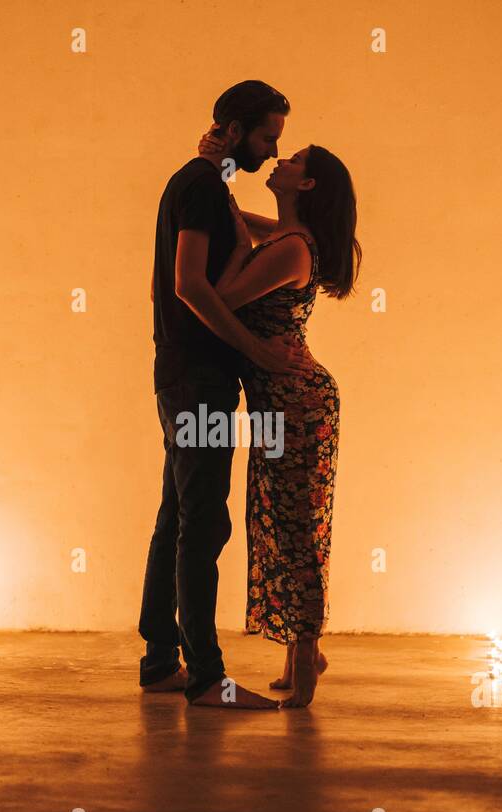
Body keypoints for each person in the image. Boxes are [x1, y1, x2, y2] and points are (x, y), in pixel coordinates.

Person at [137, 80, 309, 709]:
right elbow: (186, 285)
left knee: (177, 517)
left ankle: (159, 662)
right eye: (268, 135)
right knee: (203, 520)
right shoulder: (202, 187)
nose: (272, 147)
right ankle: (207, 679)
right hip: (198, 381)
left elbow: (177, 281)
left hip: (186, 373)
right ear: (237, 130)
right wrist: (256, 348)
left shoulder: (205, 184)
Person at [197, 130, 362, 707]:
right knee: (275, 524)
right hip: (280, 402)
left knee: (297, 531)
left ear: (307, 183)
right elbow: (238, 219)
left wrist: (230, 234)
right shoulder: (292, 236)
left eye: (292, 161)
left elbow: (224, 294)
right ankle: (302, 651)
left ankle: (307, 656)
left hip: (297, 403)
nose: (279, 159)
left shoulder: (291, 248)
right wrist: (211, 172)